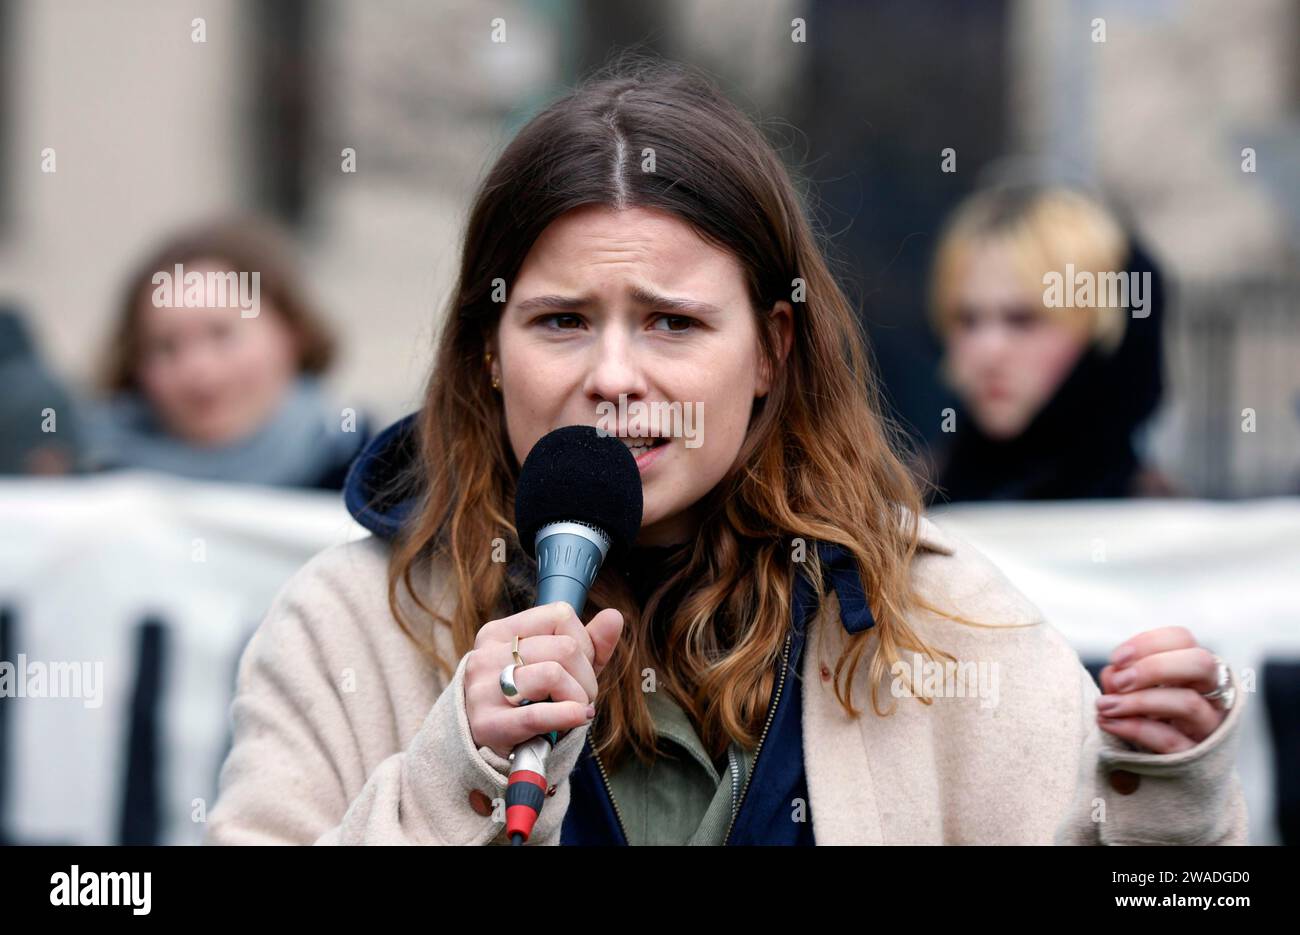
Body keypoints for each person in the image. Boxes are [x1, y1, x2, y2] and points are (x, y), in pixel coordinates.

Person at [206, 59, 1247, 845]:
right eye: (562, 321)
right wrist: (451, 777)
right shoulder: (346, 622)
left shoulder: (941, 621)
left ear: (769, 350)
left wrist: (1169, 794)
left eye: (671, 323)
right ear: (487, 351)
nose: (613, 374)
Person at [926, 184, 1174, 502]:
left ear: (1100, 335)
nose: (989, 351)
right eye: (968, 319)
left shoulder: (1160, 529)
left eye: (1023, 319)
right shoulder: (904, 513)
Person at [83, 218, 368, 490]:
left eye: (221, 334)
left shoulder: (374, 472)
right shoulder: (85, 479)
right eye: (166, 346)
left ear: (292, 333)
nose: (197, 368)